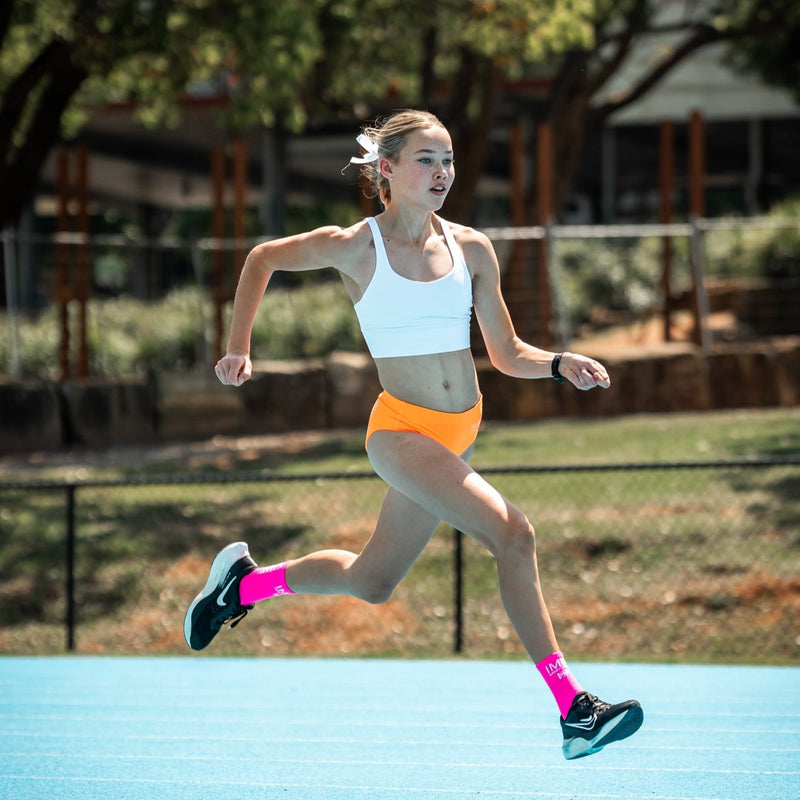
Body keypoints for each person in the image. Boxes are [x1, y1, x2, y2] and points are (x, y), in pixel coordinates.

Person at [184, 109, 643, 760]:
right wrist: (239, 349)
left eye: (448, 159)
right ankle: (573, 709)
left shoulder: (472, 249)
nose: (442, 172)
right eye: (427, 159)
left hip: (456, 435)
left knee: (372, 580)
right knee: (515, 536)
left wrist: (559, 364)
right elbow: (261, 259)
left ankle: (243, 585)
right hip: (400, 433)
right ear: (387, 170)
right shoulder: (356, 246)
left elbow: (508, 352)